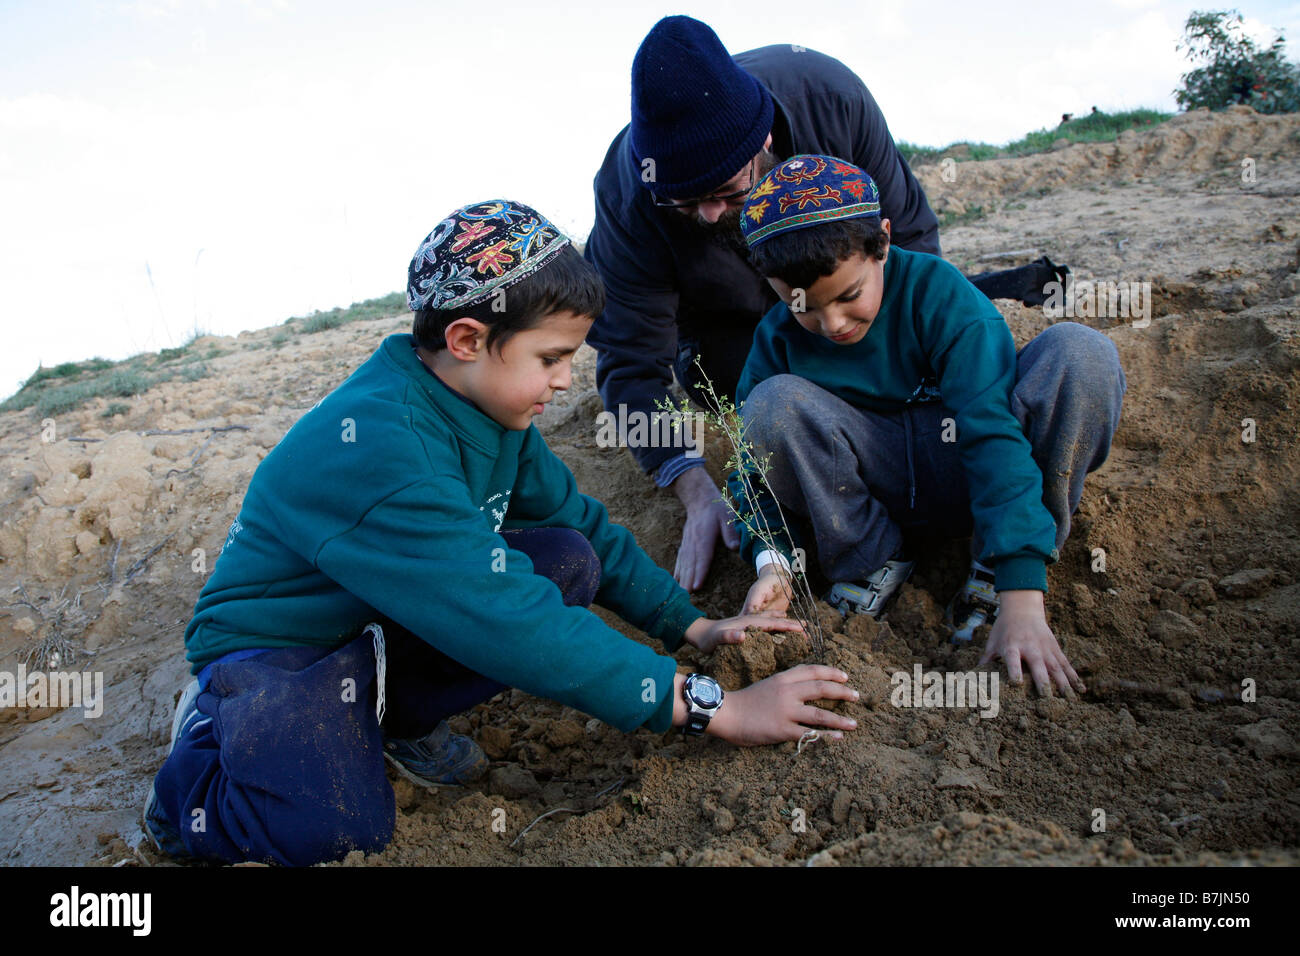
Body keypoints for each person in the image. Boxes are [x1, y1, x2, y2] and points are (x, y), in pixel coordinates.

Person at [140, 200, 857, 866]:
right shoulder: (384, 448)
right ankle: (201, 759)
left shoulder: (489, 409)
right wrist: (717, 708)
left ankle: (391, 721)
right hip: (284, 648)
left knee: (566, 561)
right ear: (466, 340)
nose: (567, 381)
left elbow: (580, 528)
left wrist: (690, 627)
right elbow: (510, 622)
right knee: (334, 830)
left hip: (385, 622)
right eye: (551, 359)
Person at [585, 15, 1061, 594]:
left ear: (763, 142)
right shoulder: (629, 189)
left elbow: (911, 256)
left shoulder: (831, 99)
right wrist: (691, 483)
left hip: (876, 317)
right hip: (731, 335)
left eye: (724, 193)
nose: (709, 215)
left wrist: (913, 389)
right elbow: (629, 358)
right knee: (763, 401)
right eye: (685, 203)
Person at [729, 156, 1126, 697]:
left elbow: (992, 433)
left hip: (969, 469)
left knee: (1081, 354)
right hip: (877, 490)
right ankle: (873, 562)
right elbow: (749, 467)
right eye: (803, 308)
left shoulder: (941, 296)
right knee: (770, 405)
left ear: (883, 243)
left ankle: (995, 564)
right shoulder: (777, 338)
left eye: (849, 296)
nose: (833, 325)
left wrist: (1022, 594)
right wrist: (773, 560)